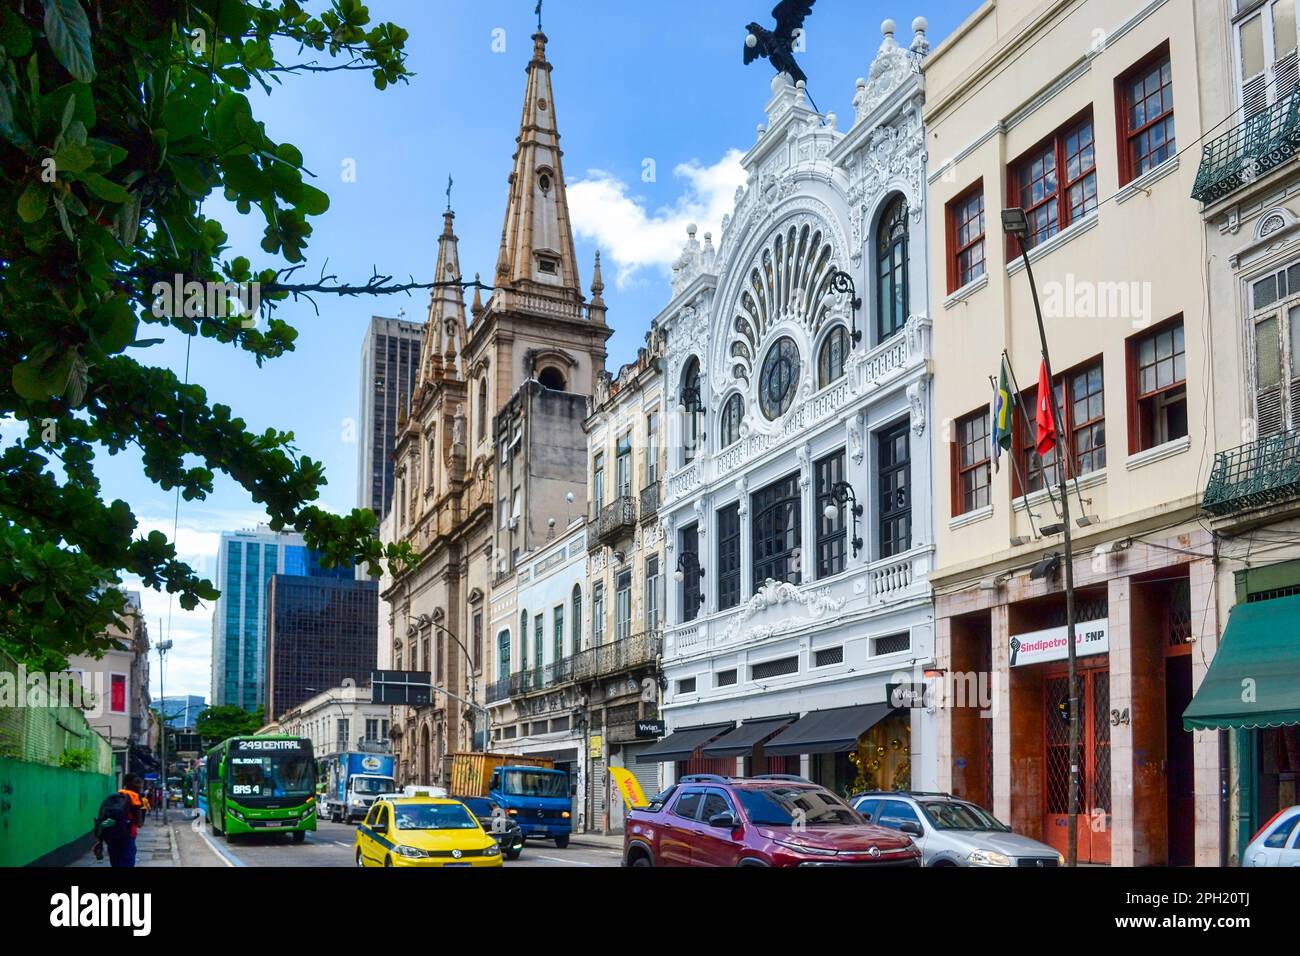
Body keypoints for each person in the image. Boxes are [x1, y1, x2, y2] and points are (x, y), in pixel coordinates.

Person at [93, 774, 145, 867]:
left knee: (115, 863)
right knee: (127, 863)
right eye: (137, 782)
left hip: (111, 837)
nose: (140, 785)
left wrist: (100, 839)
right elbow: (139, 822)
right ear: (128, 783)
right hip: (127, 836)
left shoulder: (115, 796)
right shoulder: (134, 797)